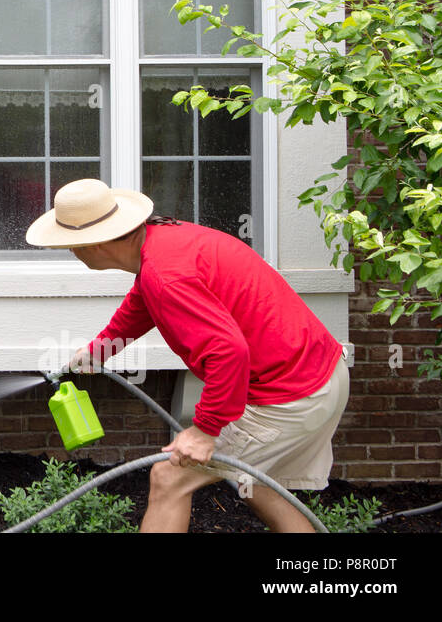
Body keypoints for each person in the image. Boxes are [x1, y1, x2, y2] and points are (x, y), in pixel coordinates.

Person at [25, 178, 348, 533]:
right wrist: (100, 350)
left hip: (289, 395)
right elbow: (143, 302)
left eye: (73, 245)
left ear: (98, 243)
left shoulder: (166, 274)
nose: (71, 252)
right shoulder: (164, 242)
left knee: (169, 478)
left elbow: (228, 351)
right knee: (253, 480)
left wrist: (205, 431)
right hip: (318, 374)